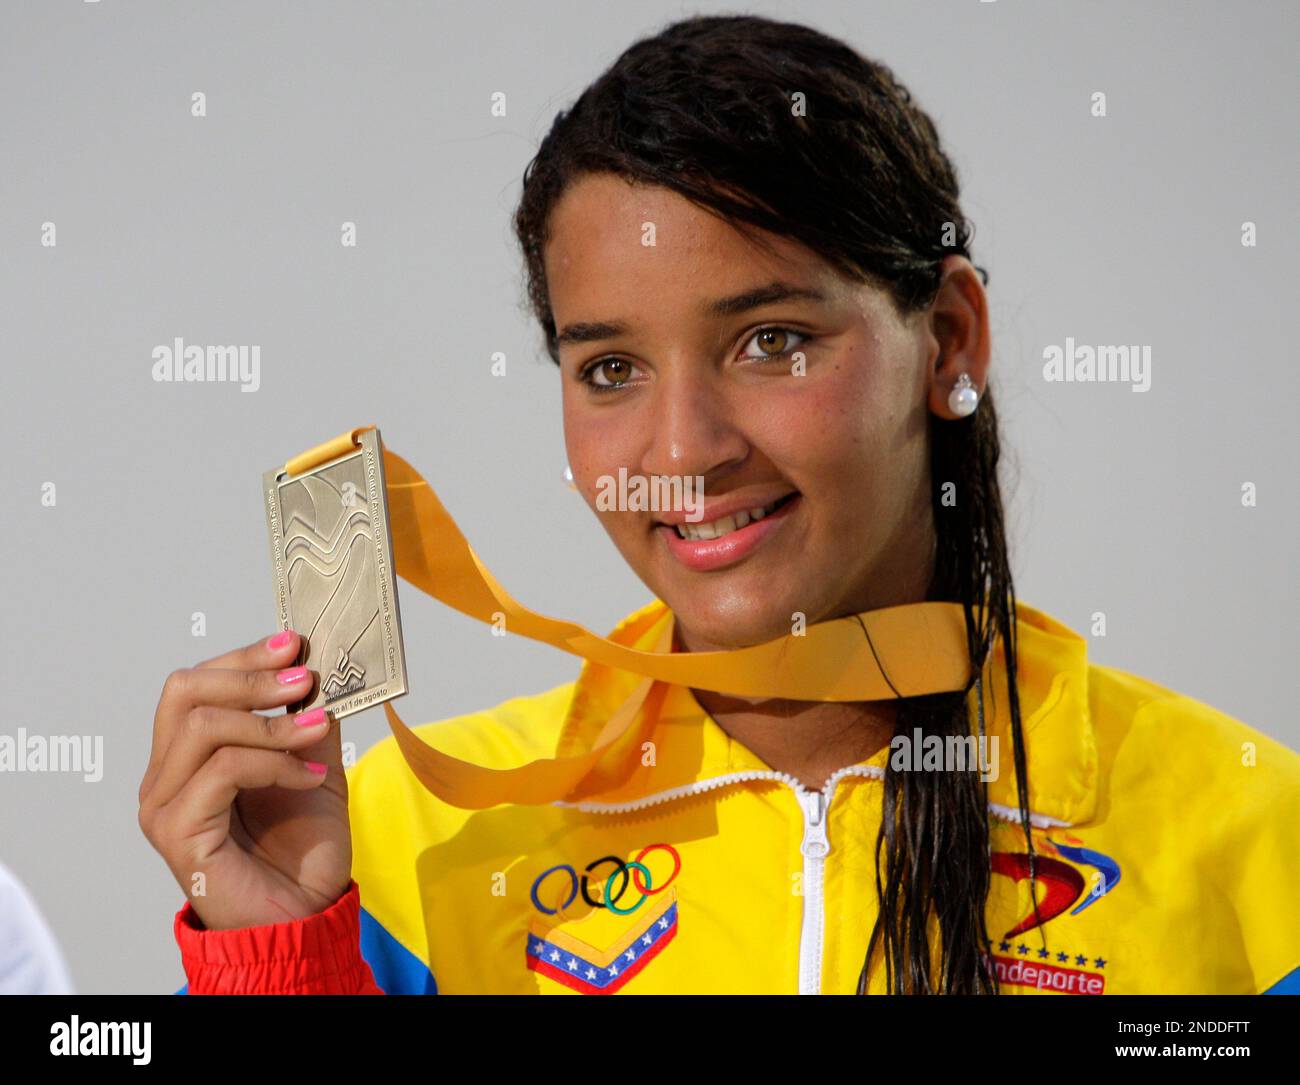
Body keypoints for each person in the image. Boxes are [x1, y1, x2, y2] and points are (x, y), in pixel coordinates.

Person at [138, 14, 1300, 995]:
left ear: (950, 337)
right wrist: (280, 948)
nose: (683, 449)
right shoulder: (399, 839)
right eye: (610, 368)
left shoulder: (1256, 838)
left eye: (772, 341)